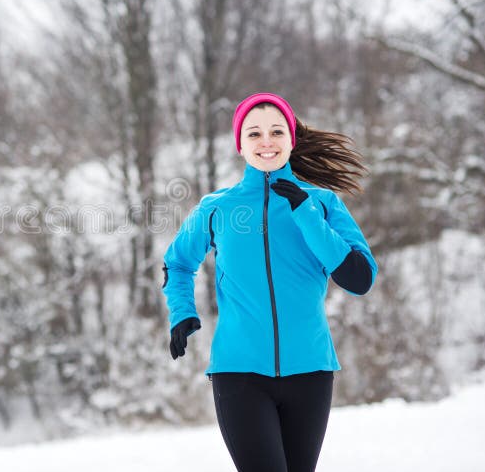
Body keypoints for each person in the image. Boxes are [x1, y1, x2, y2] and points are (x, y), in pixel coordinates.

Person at [161, 92, 377, 472]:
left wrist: (304, 212)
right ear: (239, 144)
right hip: (239, 373)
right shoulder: (217, 207)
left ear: (291, 140)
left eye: (277, 131)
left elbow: (359, 278)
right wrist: (182, 311)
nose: (266, 142)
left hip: (310, 372)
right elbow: (177, 263)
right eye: (254, 133)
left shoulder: (322, 203)